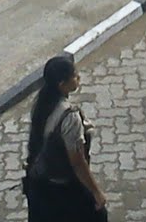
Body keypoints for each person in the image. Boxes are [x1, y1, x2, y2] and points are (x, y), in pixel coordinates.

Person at [23, 54, 107, 222]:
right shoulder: (70, 117)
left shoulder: (41, 105)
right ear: (62, 85)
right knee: (98, 215)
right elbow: (77, 162)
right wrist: (96, 192)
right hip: (64, 187)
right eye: (75, 76)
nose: (78, 77)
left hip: (39, 185)